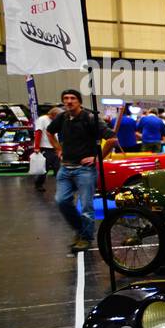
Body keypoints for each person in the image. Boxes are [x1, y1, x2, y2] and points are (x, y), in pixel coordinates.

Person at [46, 89, 115, 251]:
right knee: (62, 201)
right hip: (65, 168)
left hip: (85, 170)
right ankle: (80, 230)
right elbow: (49, 132)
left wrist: (98, 158)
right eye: (66, 98)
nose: (69, 101)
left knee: (86, 207)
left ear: (79, 101)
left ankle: (85, 237)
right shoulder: (62, 117)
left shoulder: (90, 118)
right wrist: (58, 149)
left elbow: (111, 139)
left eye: (73, 98)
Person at [32, 105, 61, 192]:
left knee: (58, 168)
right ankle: (38, 184)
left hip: (54, 147)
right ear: (53, 114)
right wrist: (36, 147)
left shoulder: (54, 121)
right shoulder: (42, 120)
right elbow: (38, 132)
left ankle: (62, 185)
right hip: (45, 147)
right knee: (44, 169)